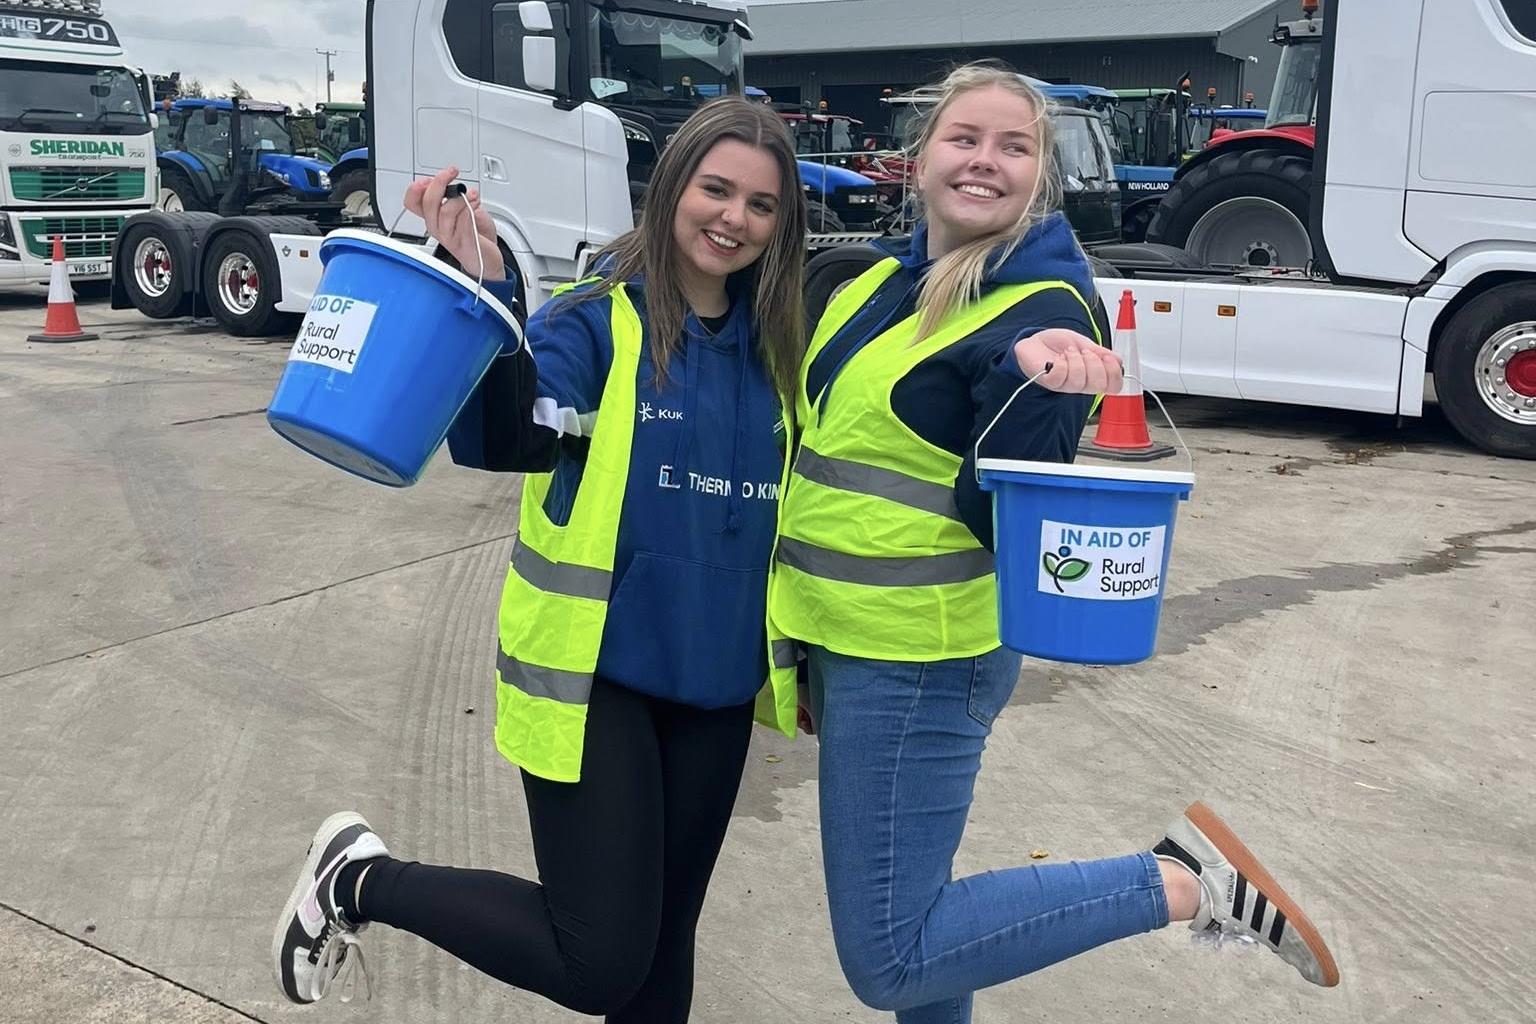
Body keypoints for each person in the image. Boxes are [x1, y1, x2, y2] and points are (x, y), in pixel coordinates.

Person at [771, 63, 1340, 1023]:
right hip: (847, 637)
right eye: (965, 139)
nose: (985, 161)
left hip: (923, 656)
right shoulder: (877, 280)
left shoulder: (1042, 309)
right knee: (924, 931)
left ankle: (1177, 880)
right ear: (919, 159)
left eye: (1014, 146)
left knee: (894, 957)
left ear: (1041, 175)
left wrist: (1045, 385)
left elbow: (1013, 515)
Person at [271, 97, 809, 1022]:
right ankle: (361, 880)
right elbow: (507, 433)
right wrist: (482, 289)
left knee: (662, 946)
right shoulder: (600, 321)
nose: (734, 219)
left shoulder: (784, 344)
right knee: (599, 958)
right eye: (716, 190)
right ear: (672, 186)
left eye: (761, 206)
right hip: (598, 672)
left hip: (717, 682)